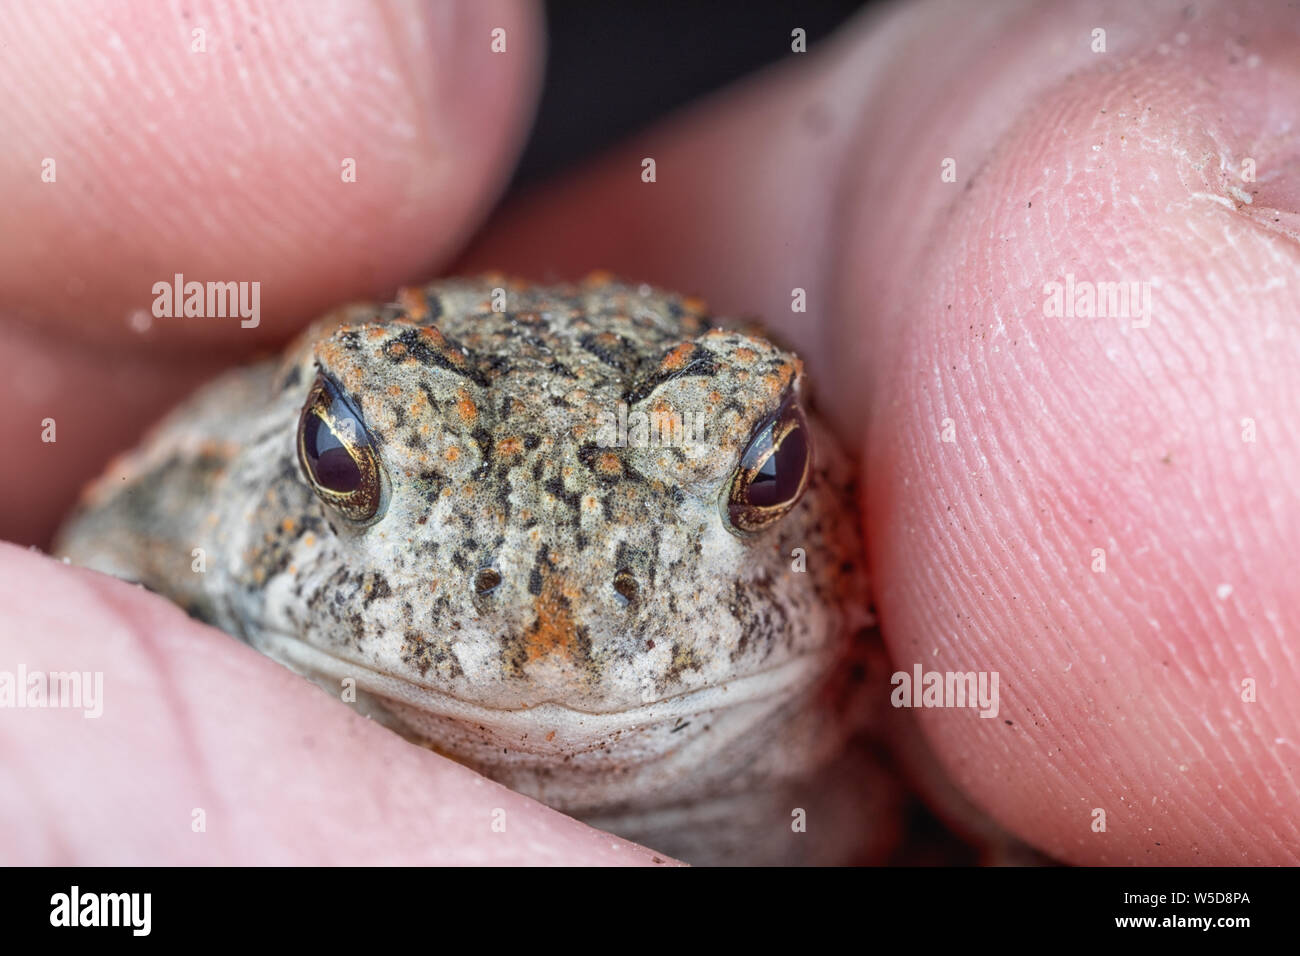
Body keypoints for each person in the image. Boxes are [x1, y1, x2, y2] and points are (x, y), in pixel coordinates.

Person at [2, 0, 1297, 865]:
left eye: (761, 477)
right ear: (313, 461)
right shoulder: (174, 539)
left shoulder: (925, 670)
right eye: (350, 466)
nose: (550, 612)